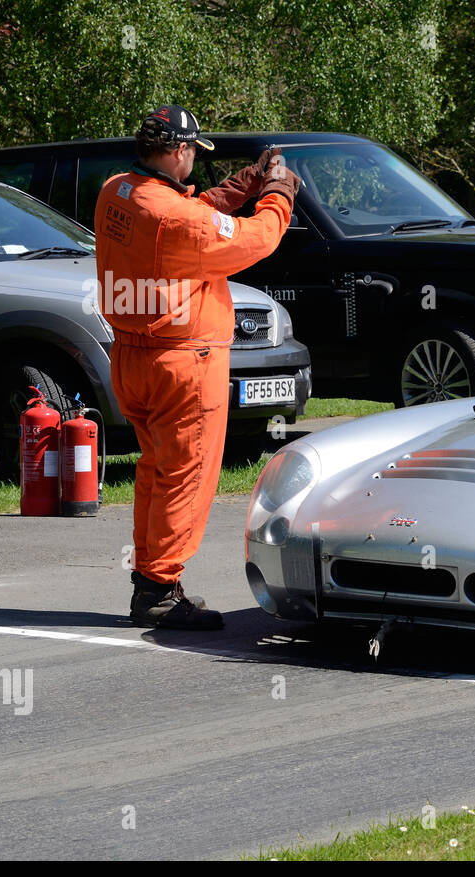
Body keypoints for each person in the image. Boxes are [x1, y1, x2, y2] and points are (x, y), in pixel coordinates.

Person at [94, 105, 299, 629]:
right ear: (181, 151)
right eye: (192, 155)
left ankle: (150, 579)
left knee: (155, 471)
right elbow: (257, 238)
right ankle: (160, 590)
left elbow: (197, 214)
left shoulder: (117, 191)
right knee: (186, 477)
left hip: (132, 355)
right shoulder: (178, 220)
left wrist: (243, 183)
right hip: (184, 363)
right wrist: (277, 192)